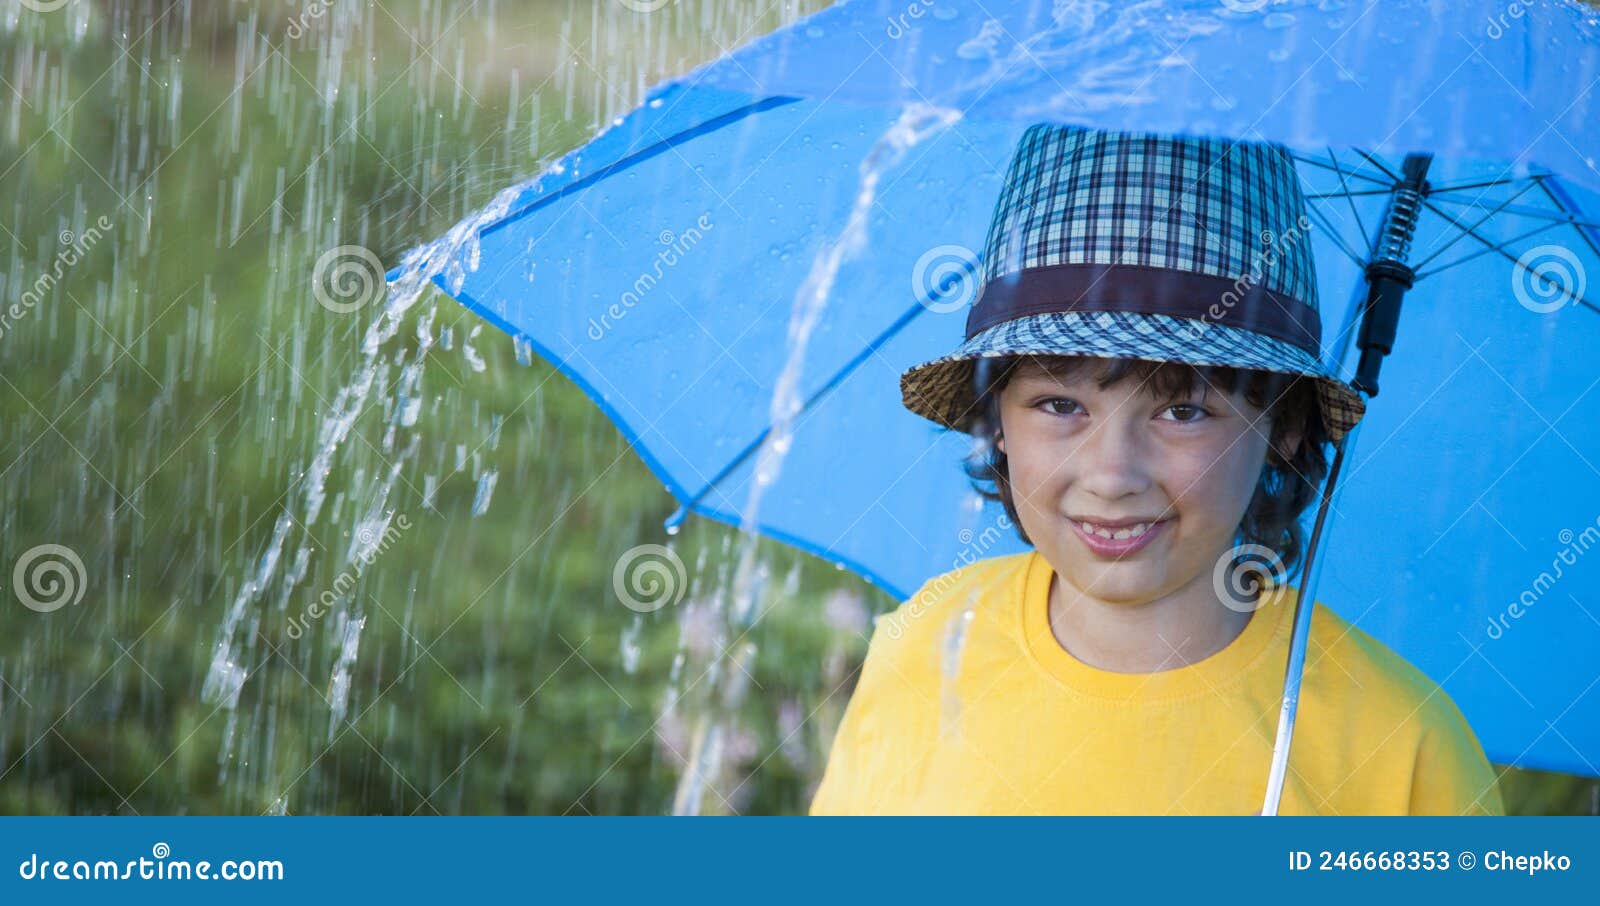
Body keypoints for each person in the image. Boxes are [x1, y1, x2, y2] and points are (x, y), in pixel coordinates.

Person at [809, 124, 1504, 816]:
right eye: (1060, 404)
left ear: (1284, 427)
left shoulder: (1401, 752)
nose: (1112, 476)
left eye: (1183, 411)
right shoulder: (924, 646)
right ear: (997, 419)